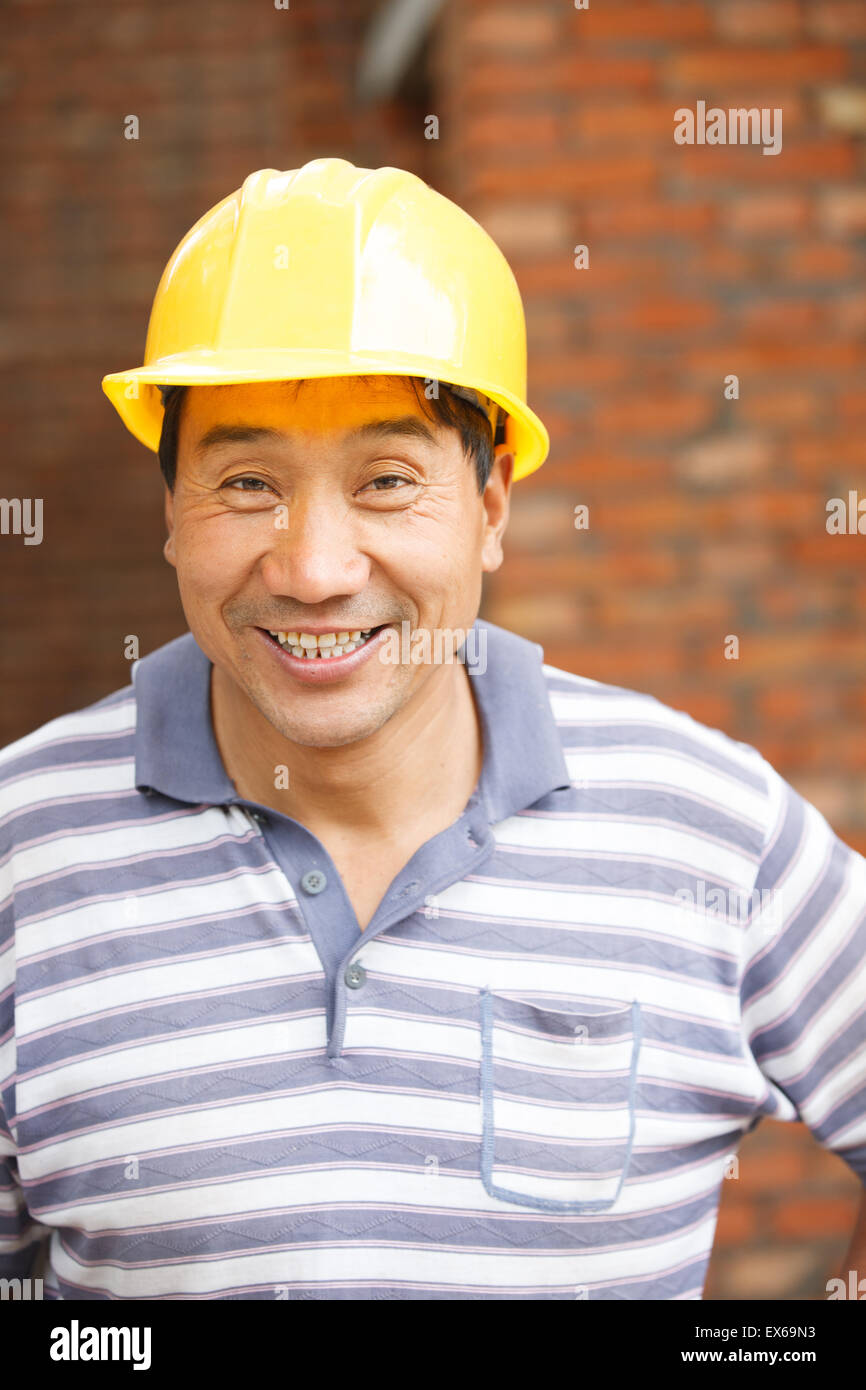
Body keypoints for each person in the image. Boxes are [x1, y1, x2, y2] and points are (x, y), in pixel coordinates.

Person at [1, 159, 864, 1301]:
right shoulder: (21, 848)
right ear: (173, 509)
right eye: (248, 481)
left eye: (388, 479)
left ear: (491, 505)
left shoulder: (707, 828)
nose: (313, 569)